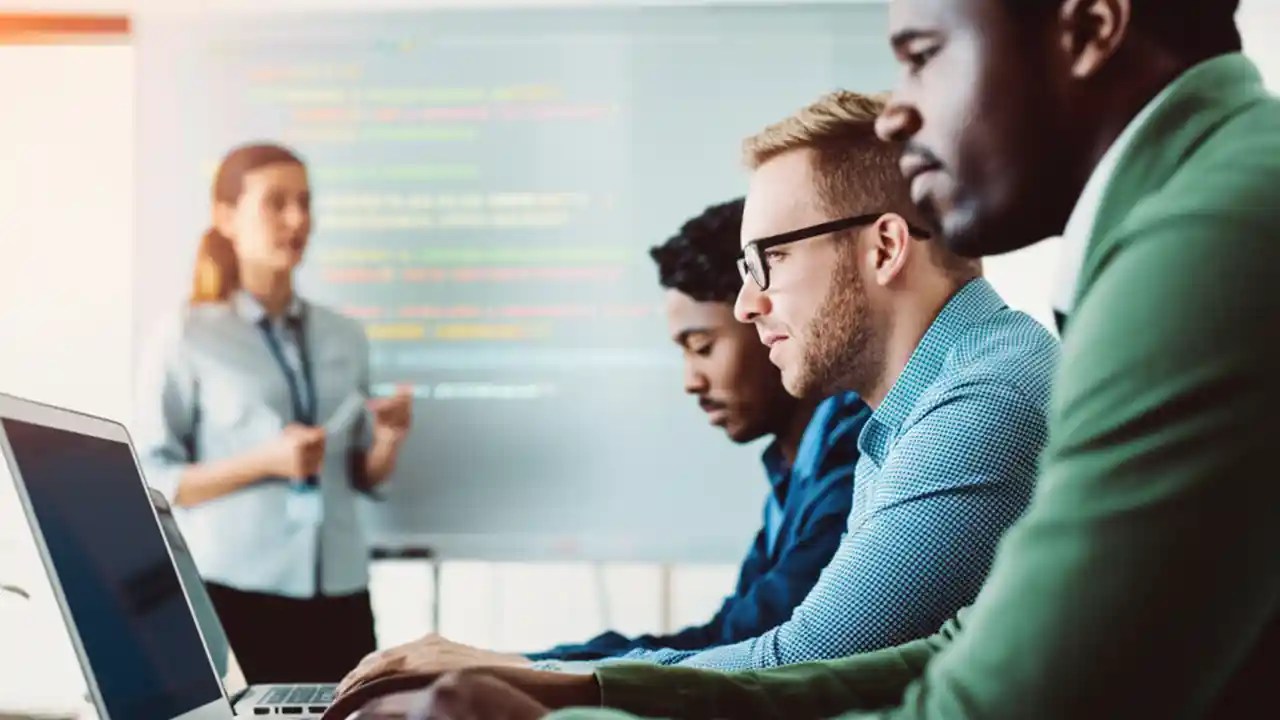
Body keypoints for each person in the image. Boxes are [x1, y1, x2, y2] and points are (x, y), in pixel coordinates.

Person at [363, 0, 1280, 717]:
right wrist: (573, 687)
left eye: (923, 53)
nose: (904, 114)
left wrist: (553, 696)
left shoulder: (1178, 254)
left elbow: (969, 697)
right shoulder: (941, 393)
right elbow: (958, 651)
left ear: (1088, 27)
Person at [335, 90, 1058, 690]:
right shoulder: (909, 410)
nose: (747, 306)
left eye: (768, 260)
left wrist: (532, 676)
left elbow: (805, 665)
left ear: (884, 247)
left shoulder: (983, 402)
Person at [528, 198, 870, 663]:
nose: (691, 380)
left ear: (767, 319)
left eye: (703, 347)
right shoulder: (794, 470)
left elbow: (749, 647)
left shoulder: (857, 457)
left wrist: (529, 669)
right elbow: (726, 634)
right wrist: (522, 665)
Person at [135, 142, 414, 684]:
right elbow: (155, 479)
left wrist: (386, 440)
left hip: (341, 595)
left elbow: (361, 475)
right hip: (235, 596)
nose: (298, 220)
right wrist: (265, 461)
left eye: (306, 203)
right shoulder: (188, 333)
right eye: (277, 203)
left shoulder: (344, 334)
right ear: (226, 217)